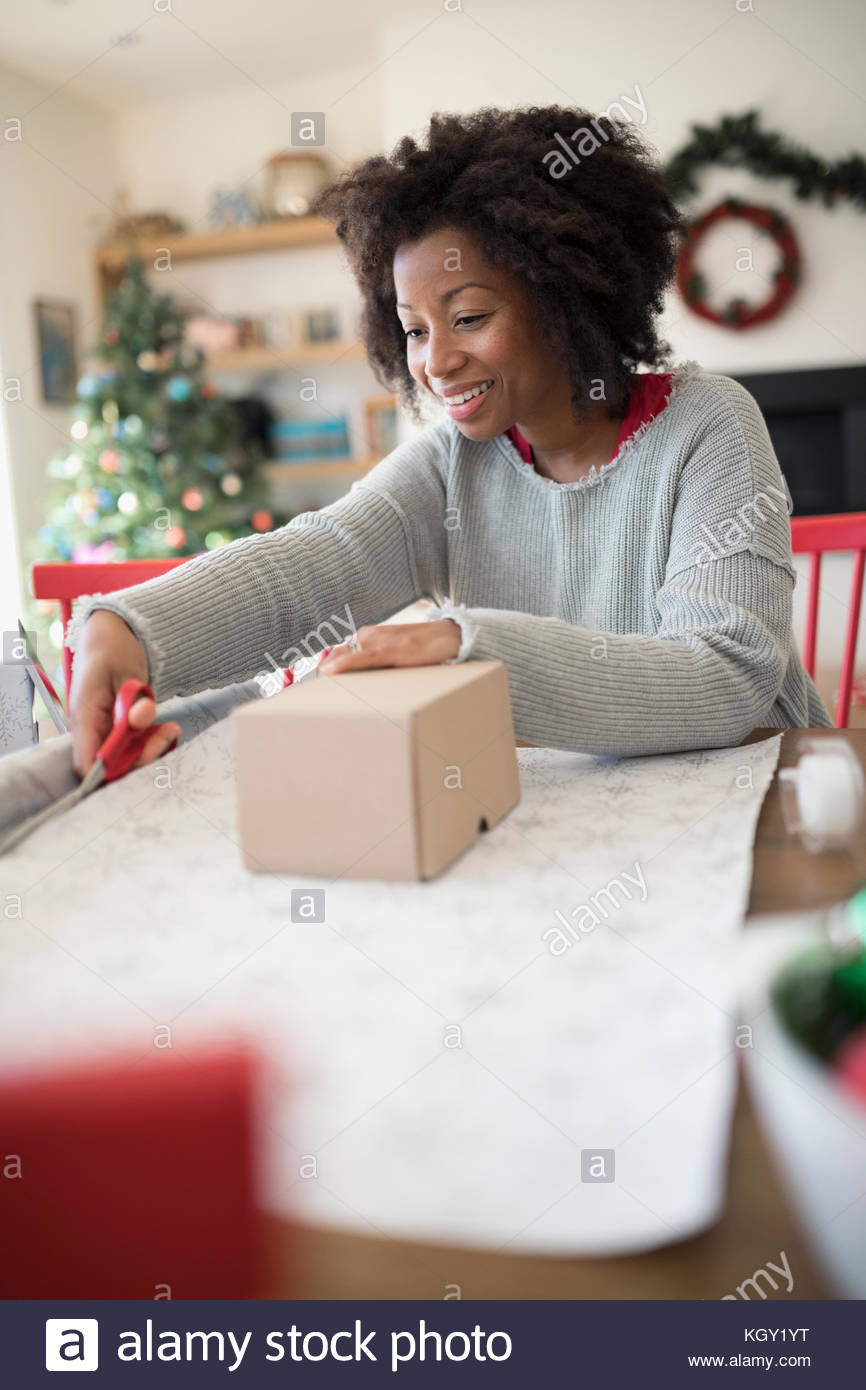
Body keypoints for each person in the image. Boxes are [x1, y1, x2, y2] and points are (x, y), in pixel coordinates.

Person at [67, 105, 832, 777]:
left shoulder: (709, 426)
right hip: (588, 813)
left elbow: (727, 679)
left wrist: (471, 647)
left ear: (567, 300)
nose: (435, 362)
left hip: (769, 801)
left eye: (468, 317)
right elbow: (315, 564)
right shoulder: (451, 465)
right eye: (414, 330)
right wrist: (130, 628)